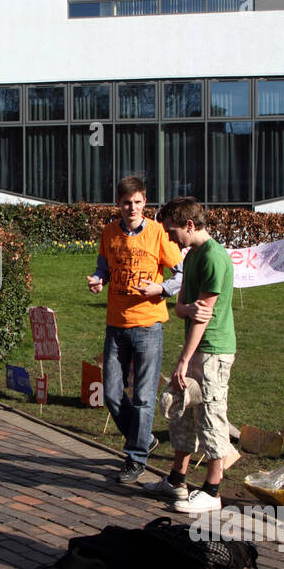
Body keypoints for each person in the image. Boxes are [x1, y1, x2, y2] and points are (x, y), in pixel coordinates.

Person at [86, 177, 183, 484]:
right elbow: (104, 267)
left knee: (143, 396)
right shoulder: (109, 232)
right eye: (126, 202)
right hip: (115, 324)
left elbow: (181, 272)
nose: (132, 208)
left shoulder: (157, 233)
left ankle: (136, 457)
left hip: (148, 324)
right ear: (119, 203)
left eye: (137, 202)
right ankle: (142, 438)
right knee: (112, 393)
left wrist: (162, 288)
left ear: (145, 202)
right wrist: (98, 280)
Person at [145, 197, 239, 512]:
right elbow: (184, 307)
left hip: (212, 350)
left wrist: (184, 360)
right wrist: (186, 310)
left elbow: (202, 316)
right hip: (197, 348)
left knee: (211, 415)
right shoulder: (192, 255)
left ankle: (213, 491)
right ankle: (176, 481)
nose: (169, 237)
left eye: (172, 231)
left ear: (189, 225)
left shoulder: (213, 257)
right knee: (183, 412)